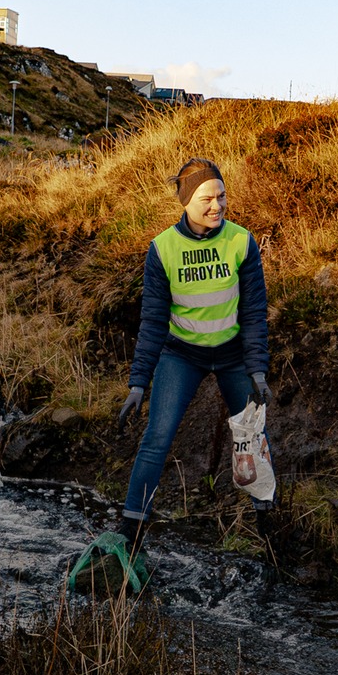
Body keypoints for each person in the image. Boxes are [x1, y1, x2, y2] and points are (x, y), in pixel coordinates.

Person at [110, 158, 271, 566]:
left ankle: (271, 535)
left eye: (222, 196)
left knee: (253, 440)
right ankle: (129, 537)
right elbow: (152, 322)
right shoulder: (162, 249)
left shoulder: (241, 241)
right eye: (206, 199)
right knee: (157, 438)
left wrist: (257, 369)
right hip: (181, 354)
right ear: (185, 202)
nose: (217, 205)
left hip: (234, 355)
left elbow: (254, 312)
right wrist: (138, 383)